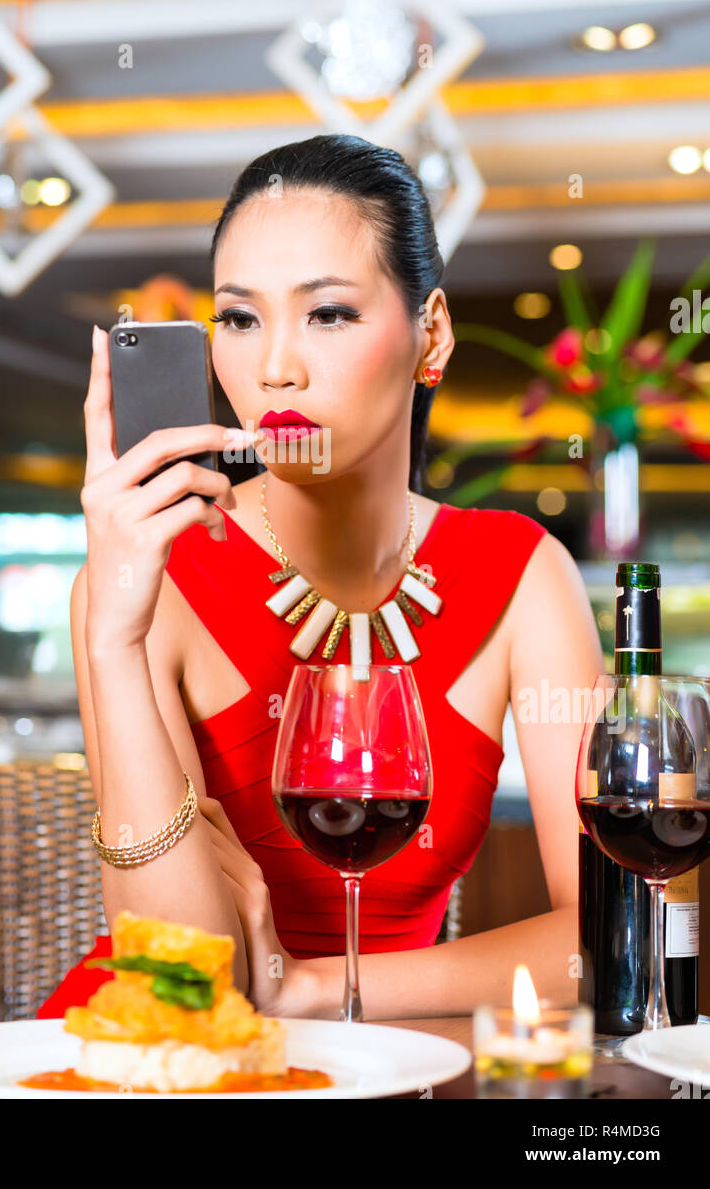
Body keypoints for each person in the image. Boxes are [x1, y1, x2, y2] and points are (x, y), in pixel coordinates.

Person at [37, 134, 603, 1023]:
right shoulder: (154, 575)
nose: (274, 370)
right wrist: (112, 637)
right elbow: (188, 986)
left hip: (385, 1060)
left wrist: (308, 988)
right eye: (240, 318)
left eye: (327, 314)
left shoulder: (523, 574)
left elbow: (608, 941)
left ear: (431, 332)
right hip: (172, 1070)